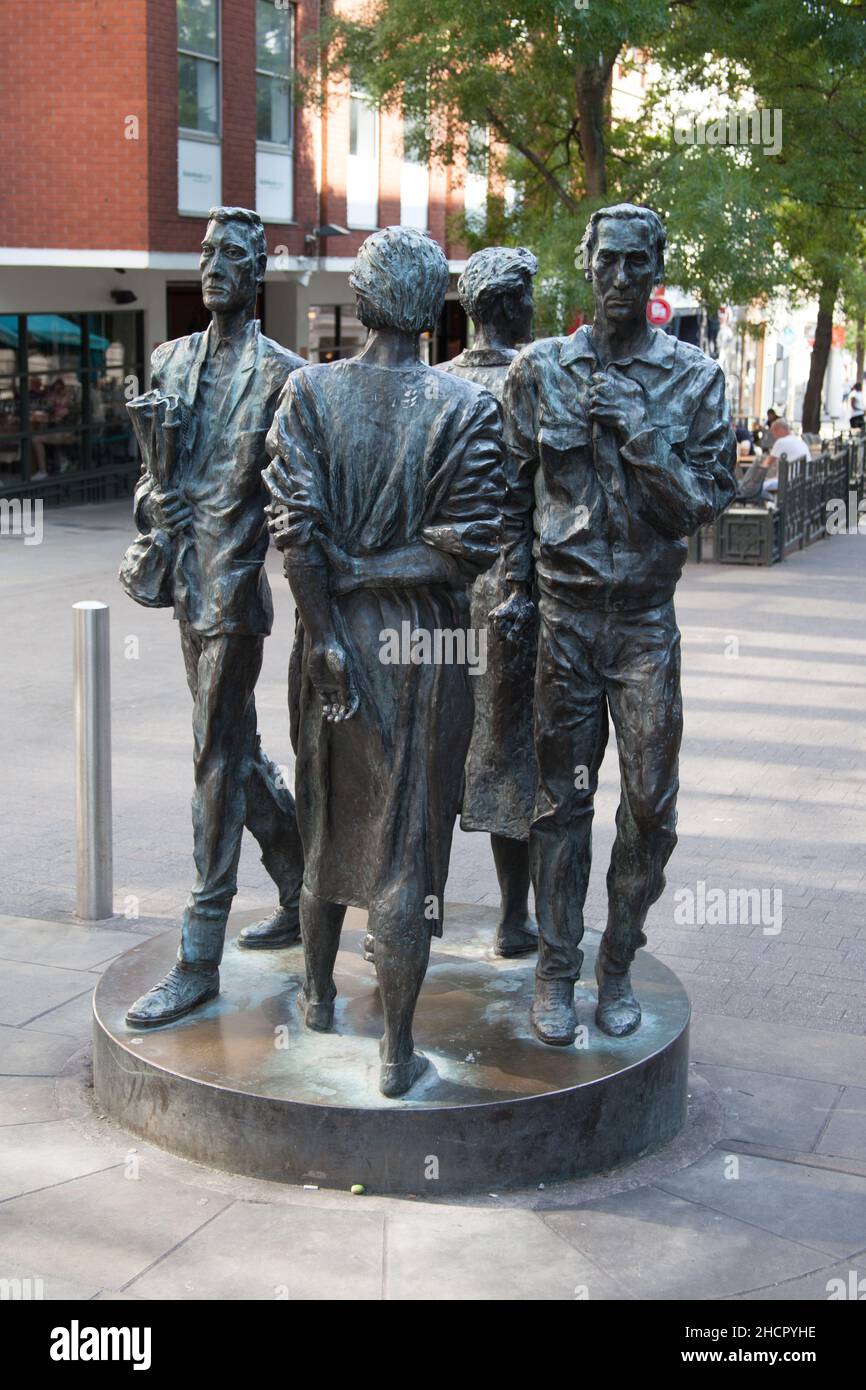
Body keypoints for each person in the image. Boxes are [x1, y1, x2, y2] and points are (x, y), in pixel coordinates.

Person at [264, 226, 503, 1097]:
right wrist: (371, 576)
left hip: (330, 639)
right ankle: (397, 1049)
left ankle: (319, 993)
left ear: (363, 302)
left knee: (327, 813)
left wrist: (327, 625)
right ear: (431, 303)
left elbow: (296, 528)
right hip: (426, 651)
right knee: (407, 843)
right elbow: (463, 551)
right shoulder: (468, 411)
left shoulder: (308, 393)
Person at [502, 202, 736, 1045]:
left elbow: (701, 507)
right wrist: (511, 595)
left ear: (658, 268)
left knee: (651, 808)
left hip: (643, 625)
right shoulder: (541, 371)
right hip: (563, 621)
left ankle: (619, 960)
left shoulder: (696, 380)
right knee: (561, 805)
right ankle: (557, 969)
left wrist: (644, 438)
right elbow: (508, 496)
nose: (623, 278)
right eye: (610, 261)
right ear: (589, 261)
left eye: (640, 263)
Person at [125, 206, 305, 1028]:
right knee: (234, 750)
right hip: (183, 591)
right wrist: (149, 511)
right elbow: (147, 487)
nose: (213, 266)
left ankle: (199, 955)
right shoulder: (166, 362)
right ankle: (300, 872)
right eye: (206, 253)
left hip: (235, 598)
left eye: (231, 255)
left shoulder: (283, 376)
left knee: (209, 755)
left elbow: (295, 501)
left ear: (257, 270)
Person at [437, 246, 540, 958]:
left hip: (437, 592)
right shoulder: (536, 380)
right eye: (528, 297)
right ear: (508, 306)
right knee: (510, 755)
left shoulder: (432, 383)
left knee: (432, 753)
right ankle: (513, 920)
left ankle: (421, 911)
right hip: (510, 590)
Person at [762, 417, 809, 498]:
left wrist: (757, 478)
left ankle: (773, 506)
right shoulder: (799, 441)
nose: (774, 436)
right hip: (803, 480)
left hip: (789, 482)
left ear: (779, 430)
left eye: (774, 432)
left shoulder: (781, 442)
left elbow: (767, 463)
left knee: (760, 488)